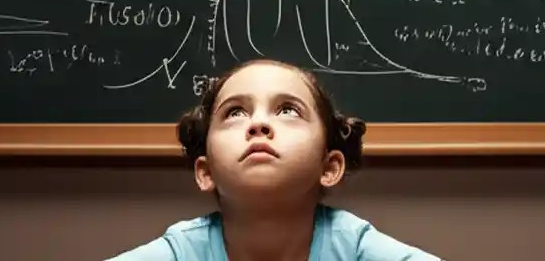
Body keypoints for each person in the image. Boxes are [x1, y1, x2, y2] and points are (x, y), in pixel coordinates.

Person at [106, 58, 442, 260]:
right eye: (235, 112)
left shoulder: (356, 249)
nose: (258, 124)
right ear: (206, 171)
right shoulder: (180, 253)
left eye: (288, 110)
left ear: (329, 167)